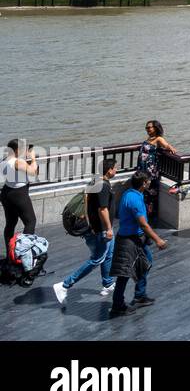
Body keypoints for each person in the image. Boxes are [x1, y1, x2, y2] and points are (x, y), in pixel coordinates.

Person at [53, 157, 117, 305]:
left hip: (98, 228)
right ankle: (64, 285)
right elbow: (103, 209)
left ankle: (107, 283)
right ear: (109, 170)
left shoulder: (95, 180)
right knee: (97, 259)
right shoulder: (103, 185)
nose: (116, 170)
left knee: (108, 255)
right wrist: (108, 228)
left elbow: (88, 200)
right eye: (115, 168)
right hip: (101, 229)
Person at [108, 171, 167, 317]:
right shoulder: (134, 200)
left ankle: (140, 295)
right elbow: (143, 225)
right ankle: (117, 305)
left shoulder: (130, 193)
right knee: (124, 274)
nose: (149, 182)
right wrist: (158, 240)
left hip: (135, 239)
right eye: (148, 181)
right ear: (144, 183)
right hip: (129, 240)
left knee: (145, 263)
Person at [135, 120, 178, 221]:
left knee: (151, 192)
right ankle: (144, 214)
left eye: (149, 127)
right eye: (146, 128)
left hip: (151, 171)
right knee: (144, 191)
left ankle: (150, 216)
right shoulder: (149, 139)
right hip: (143, 169)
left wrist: (171, 148)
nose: (147, 130)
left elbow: (166, 145)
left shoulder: (159, 139)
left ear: (156, 128)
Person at [2, 139, 39, 244]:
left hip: (6, 192)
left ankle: (11, 255)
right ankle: (23, 252)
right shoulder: (19, 162)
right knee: (30, 222)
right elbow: (33, 172)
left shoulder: (5, 160)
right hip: (19, 194)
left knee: (10, 223)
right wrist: (33, 159)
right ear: (17, 150)